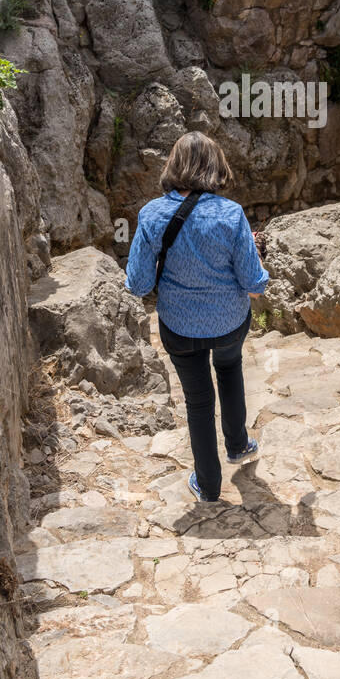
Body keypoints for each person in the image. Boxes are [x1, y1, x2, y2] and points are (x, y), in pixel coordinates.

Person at [124, 132, 269, 502]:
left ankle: (208, 486)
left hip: (179, 327)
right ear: (215, 166)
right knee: (230, 367)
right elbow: (254, 284)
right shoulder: (231, 214)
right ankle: (238, 446)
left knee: (199, 400)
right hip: (229, 324)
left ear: (174, 165)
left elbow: (138, 284)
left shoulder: (151, 214)